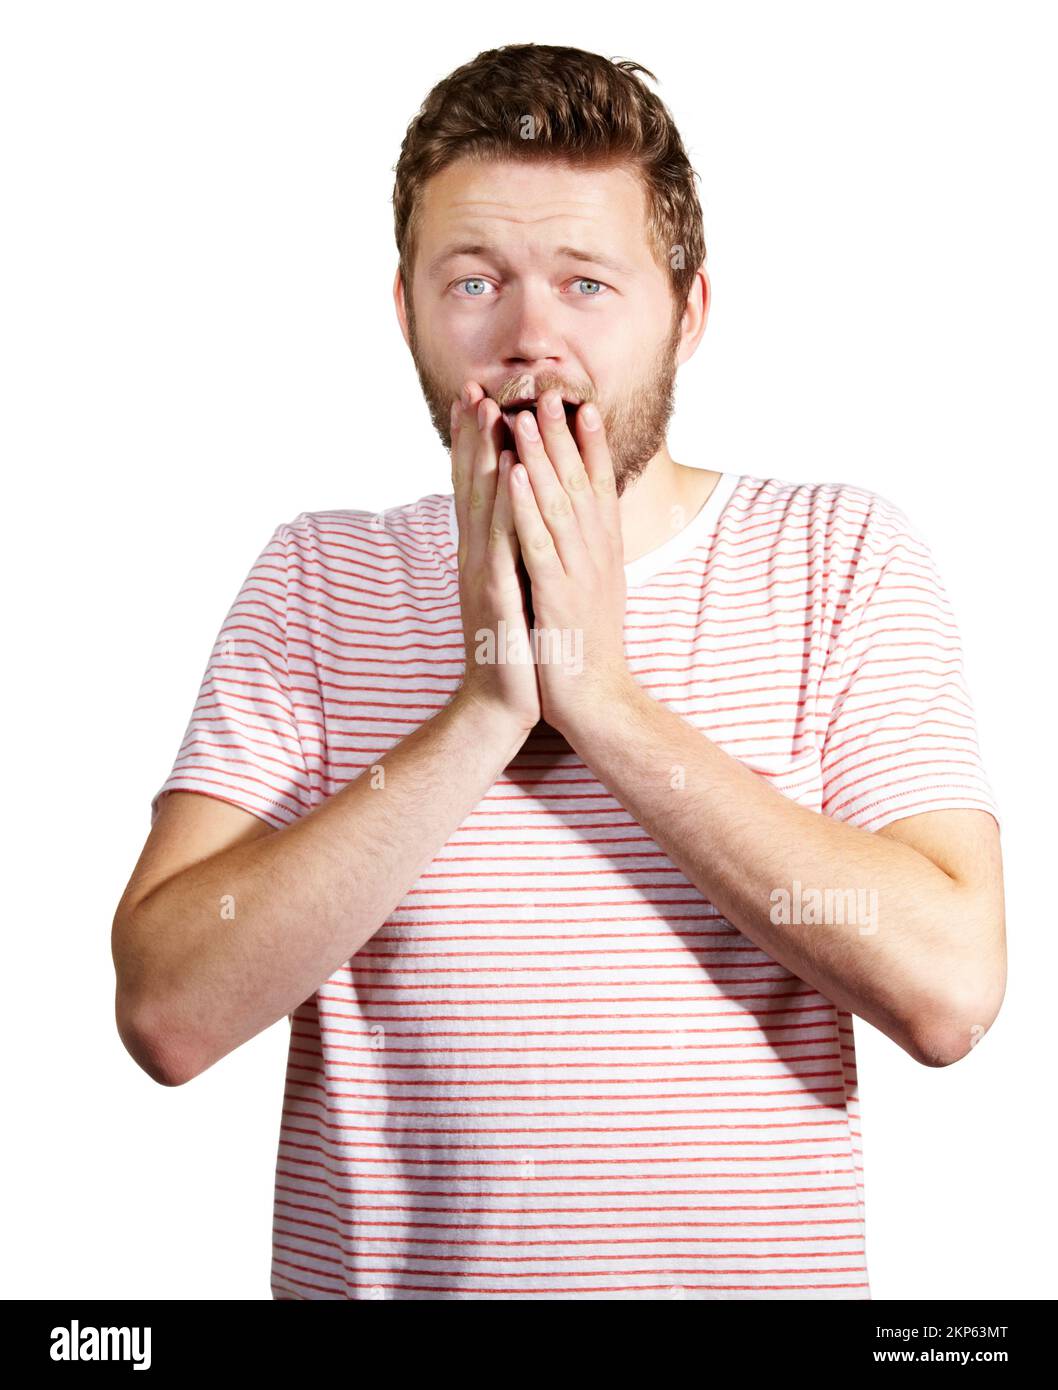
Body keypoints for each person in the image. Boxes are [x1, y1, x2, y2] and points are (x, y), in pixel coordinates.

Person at [111, 43, 1005, 1301]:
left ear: (688, 313)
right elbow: (168, 1007)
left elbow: (950, 991)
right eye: (474, 280)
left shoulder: (835, 556)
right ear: (407, 308)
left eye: (587, 283)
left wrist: (604, 703)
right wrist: (483, 712)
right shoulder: (319, 579)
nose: (529, 338)